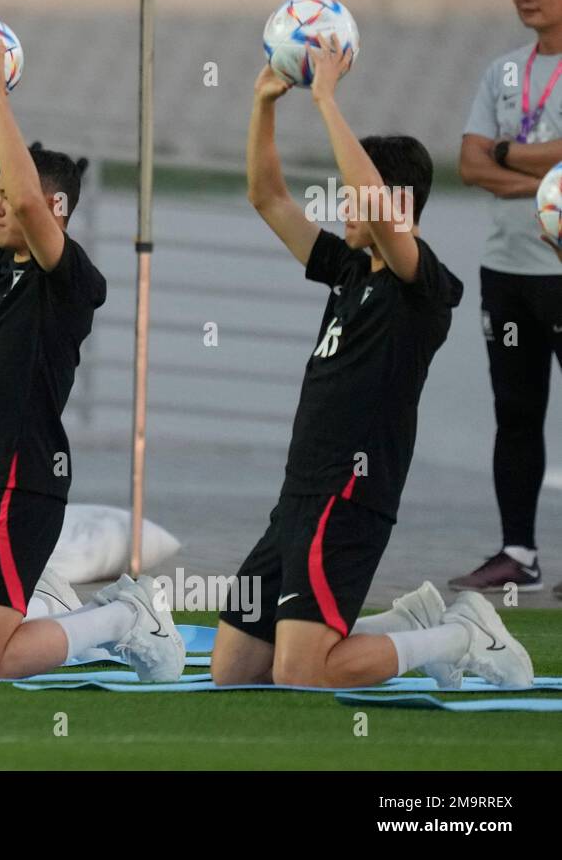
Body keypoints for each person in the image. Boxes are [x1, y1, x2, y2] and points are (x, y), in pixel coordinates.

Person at [211, 37, 533, 690]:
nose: (345, 203)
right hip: (298, 497)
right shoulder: (348, 270)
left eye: (359, 194)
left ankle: (462, 636)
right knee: (236, 672)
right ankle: (404, 623)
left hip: (350, 496)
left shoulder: (422, 284)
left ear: (397, 205)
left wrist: (327, 98)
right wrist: (263, 105)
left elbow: (381, 208)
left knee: (303, 673)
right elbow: (268, 199)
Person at [0, 40, 183, 681]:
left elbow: (29, 204)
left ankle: (123, 617)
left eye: (6, 194)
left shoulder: (69, 277)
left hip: (20, 483)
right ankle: (46, 605)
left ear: (53, 207)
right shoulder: (3, 264)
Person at [453, 0, 562, 598]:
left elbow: (491, 157)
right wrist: (545, 170)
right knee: (515, 412)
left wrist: (505, 156)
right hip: (507, 269)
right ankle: (517, 551)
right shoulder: (502, 72)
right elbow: (469, 163)